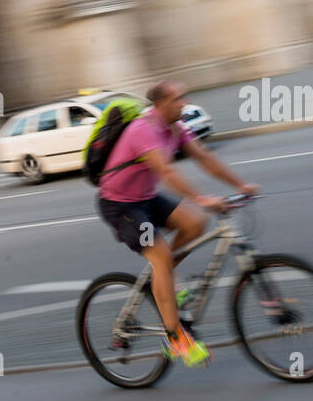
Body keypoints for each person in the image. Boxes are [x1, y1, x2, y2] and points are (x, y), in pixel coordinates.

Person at [97, 81, 259, 368]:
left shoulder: (176, 128)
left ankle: (167, 283)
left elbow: (204, 158)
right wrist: (201, 197)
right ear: (160, 104)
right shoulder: (142, 130)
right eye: (178, 98)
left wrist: (241, 185)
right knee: (160, 256)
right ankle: (175, 338)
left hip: (145, 197)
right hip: (121, 205)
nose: (185, 102)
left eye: (184, 96)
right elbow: (165, 170)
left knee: (195, 223)